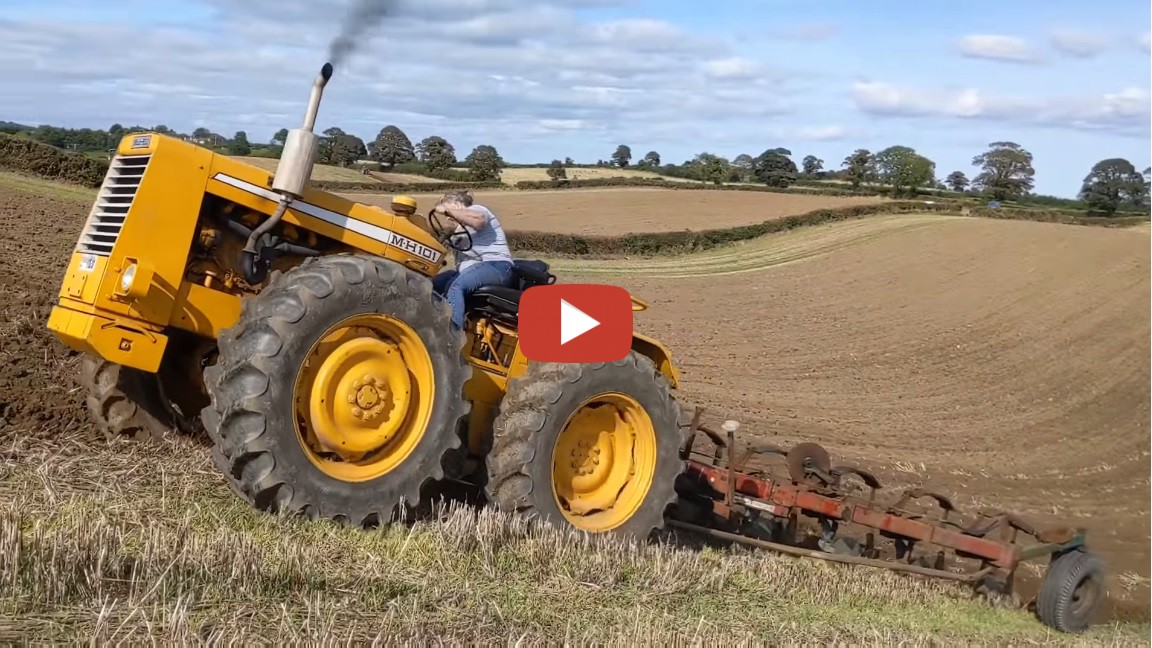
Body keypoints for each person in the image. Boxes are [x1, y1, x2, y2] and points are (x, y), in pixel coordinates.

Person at [430, 191, 515, 330]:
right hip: (471, 270)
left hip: (496, 266)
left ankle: (452, 337)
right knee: (433, 285)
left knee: (456, 286)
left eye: (448, 211)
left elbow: (479, 221)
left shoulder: (477, 210)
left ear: (457, 204)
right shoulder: (458, 230)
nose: (446, 218)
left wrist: (448, 210)